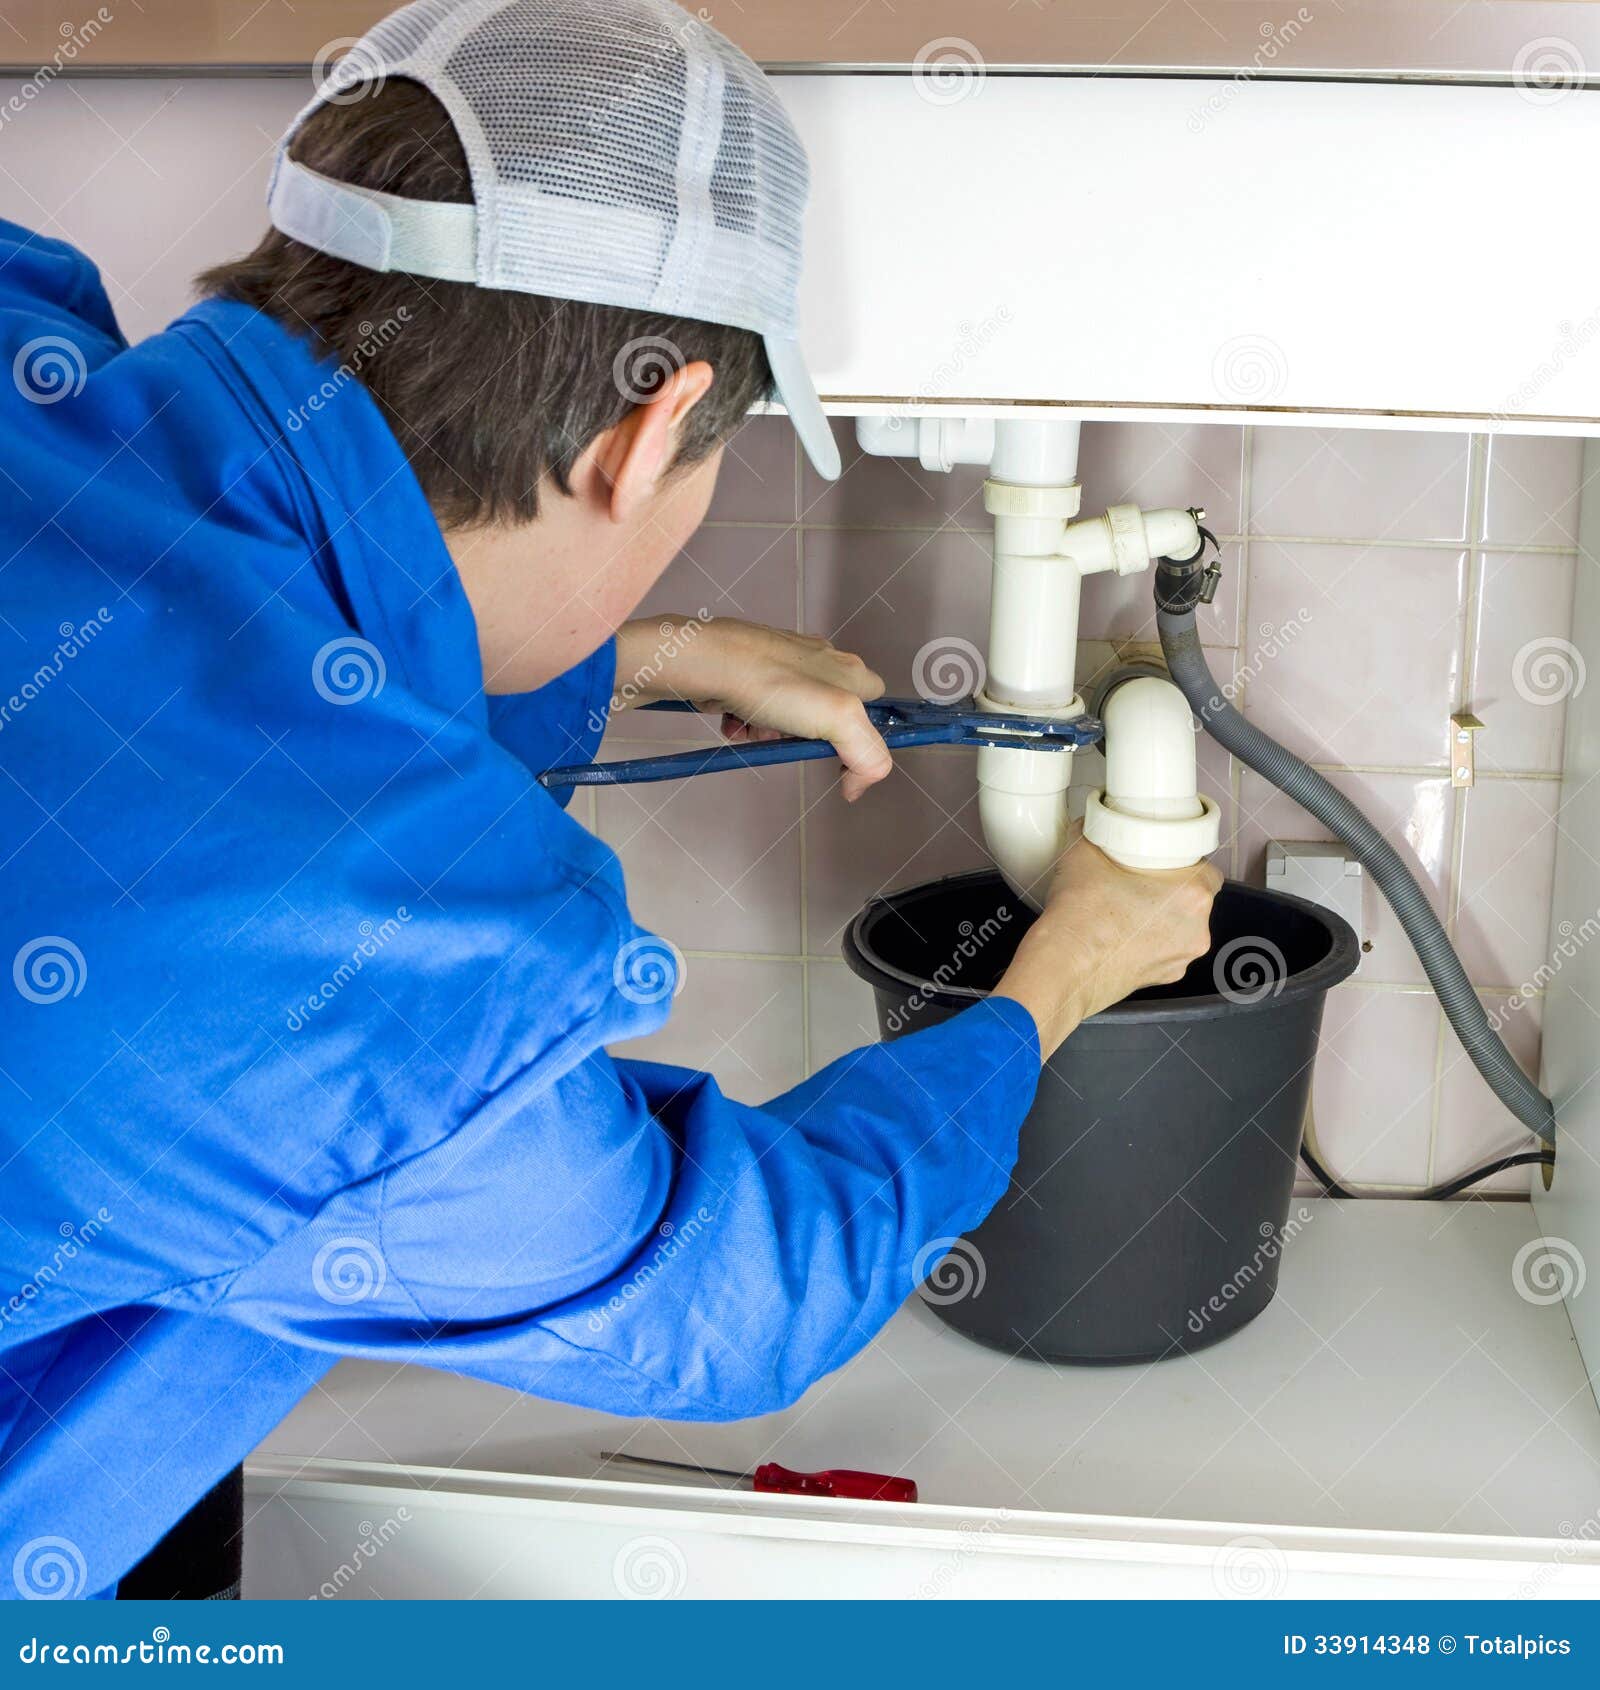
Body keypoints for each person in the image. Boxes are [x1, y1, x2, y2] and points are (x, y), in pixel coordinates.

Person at [0, 0, 1219, 1600]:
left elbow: (216, 683)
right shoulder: (371, 978)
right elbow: (740, 1294)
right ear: (648, 437)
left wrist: (635, 655)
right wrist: (1063, 969)